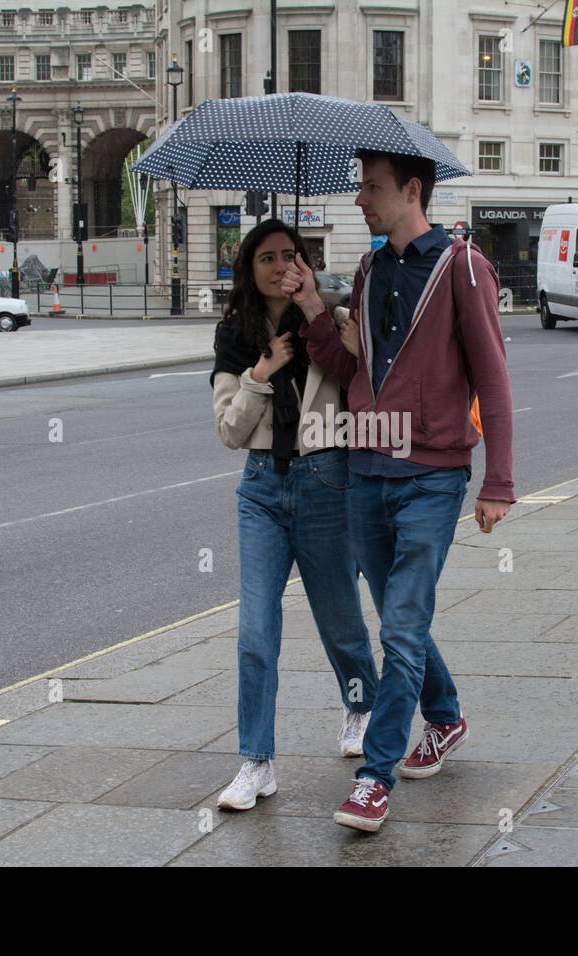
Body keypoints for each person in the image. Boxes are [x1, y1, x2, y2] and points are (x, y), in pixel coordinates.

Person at [284, 149, 516, 833]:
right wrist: (307, 303)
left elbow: (494, 379)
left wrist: (498, 481)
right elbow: (345, 366)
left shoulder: (463, 269)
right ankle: (445, 717)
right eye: (360, 186)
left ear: (412, 190)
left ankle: (373, 777)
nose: (361, 199)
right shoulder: (369, 268)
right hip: (366, 473)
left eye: (372, 187)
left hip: (432, 480)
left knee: (403, 629)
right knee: (400, 622)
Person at [210, 219, 380, 812]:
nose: (281, 266)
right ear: (249, 270)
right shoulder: (235, 334)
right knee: (256, 632)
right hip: (260, 488)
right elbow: (230, 430)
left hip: (326, 481)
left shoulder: (330, 320)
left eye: (292, 256)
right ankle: (256, 762)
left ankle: (360, 702)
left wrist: (311, 314)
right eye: (267, 259)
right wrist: (262, 374)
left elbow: (360, 385)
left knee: (341, 623)